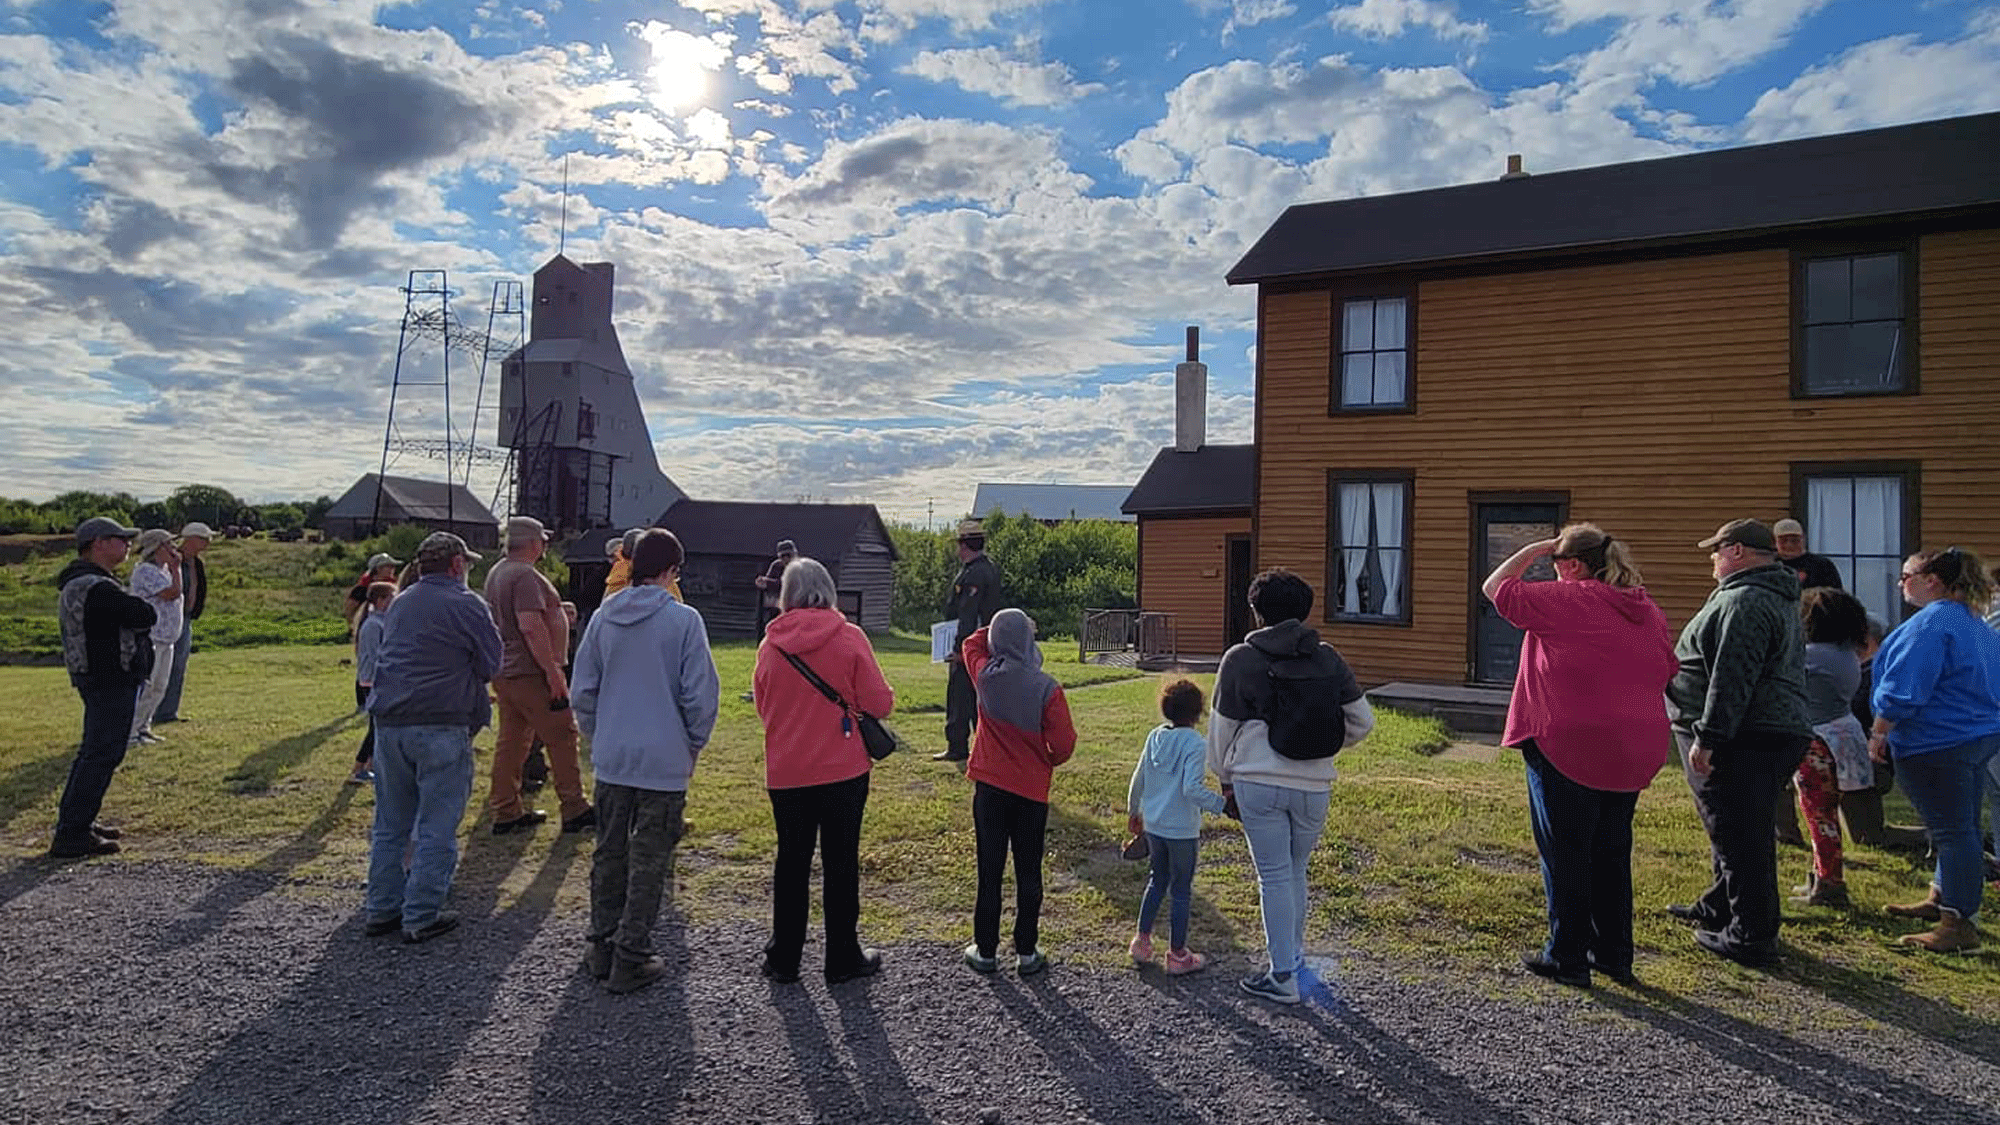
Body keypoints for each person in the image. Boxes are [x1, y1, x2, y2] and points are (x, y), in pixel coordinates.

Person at [1482, 524, 1677, 989]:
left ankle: (1567, 955)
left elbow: (1496, 588)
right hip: (1634, 744)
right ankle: (1613, 954)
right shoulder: (1645, 608)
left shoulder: (1569, 598)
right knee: (1611, 852)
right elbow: (1668, 666)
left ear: (1570, 565)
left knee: (1567, 852)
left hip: (1569, 741)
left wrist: (1531, 548)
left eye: (1556, 563)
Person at [1209, 568, 1374, 1004]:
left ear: (1256, 611)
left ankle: (1282, 975)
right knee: (1295, 872)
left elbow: (1221, 732)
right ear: (1305, 610)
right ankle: (1294, 962)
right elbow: (1363, 722)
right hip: (1314, 783)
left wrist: (1225, 781)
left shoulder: (1240, 659)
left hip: (1257, 781)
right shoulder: (1327, 657)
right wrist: (1326, 747)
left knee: (1274, 877)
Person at [572, 529, 719, 993]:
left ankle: (601, 942)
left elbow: (583, 691)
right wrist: (692, 743)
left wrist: (600, 734)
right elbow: (700, 695)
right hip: (663, 756)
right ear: (672, 571)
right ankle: (633, 952)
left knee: (608, 850)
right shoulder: (683, 621)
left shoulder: (601, 618)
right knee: (651, 856)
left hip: (613, 754)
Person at [1665, 518, 1812, 968]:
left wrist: (1709, 737)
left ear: (1738, 552)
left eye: (1717, 550)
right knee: (1729, 826)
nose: (1711, 557)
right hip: (1766, 731)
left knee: (1739, 833)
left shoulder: (1746, 600)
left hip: (1747, 736)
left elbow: (1732, 677)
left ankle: (1751, 935)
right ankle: (1720, 905)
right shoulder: (1766, 593)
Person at [752, 556, 894, 985]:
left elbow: (763, 707)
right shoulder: (849, 637)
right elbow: (879, 703)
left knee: (791, 863)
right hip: (843, 767)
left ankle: (784, 958)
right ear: (828, 589)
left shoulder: (770, 644)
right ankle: (842, 956)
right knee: (840, 861)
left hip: (788, 770)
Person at [362, 531, 502, 944]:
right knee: (438, 822)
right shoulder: (467, 604)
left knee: (391, 821)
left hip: (389, 721)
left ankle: (382, 906)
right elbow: (492, 663)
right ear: (457, 564)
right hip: (442, 720)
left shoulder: (401, 602)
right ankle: (422, 912)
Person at [1870, 547, 2000, 952]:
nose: (1900, 583)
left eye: (1906, 575)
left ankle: (1959, 924)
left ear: (1932, 581)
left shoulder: (1931, 624)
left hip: (1938, 739)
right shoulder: (1976, 624)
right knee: (1959, 824)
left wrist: (1880, 730)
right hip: (1978, 735)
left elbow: (1908, 683)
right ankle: (1942, 897)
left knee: (1954, 829)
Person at [960, 608, 1076, 975]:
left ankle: (986, 949)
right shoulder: (1047, 687)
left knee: (989, 870)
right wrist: (1046, 759)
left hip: (990, 789)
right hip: (1030, 790)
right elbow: (1065, 744)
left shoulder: (986, 678)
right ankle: (1027, 950)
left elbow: (970, 644)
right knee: (1029, 870)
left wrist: (1000, 627)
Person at [483, 516, 594, 836]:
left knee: (513, 741)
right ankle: (574, 807)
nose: (545, 544)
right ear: (532, 543)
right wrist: (554, 672)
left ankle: (506, 809)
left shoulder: (499, 571)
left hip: (507, 670)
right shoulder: (524, 575)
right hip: (531, 671)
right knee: (562, 735)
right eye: (543, 539)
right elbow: (530, 625)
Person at [50, 516, 153, 858]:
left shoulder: (83, 582)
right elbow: (142, 614)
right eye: (119, 538)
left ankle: (79, 822)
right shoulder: (95, 586)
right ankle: (72, 833)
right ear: (98, 544)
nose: (126, 544)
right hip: (109, 679)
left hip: (98, 677)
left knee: (94, 752)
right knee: (101, 753)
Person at [1125, 678, 1226, 976]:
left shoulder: (1154, 736)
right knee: (1180, 890)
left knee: (1157, 881)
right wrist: (1222, 805)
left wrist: (1134, 811)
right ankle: (1178, 954)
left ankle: (1141, 943)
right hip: (1181, 829)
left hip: (1154, 826)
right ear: (1198, 712)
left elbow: (1138, 778)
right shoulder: (1196, 743)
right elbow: (1191, 789)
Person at [1790, 587, 1874, 908]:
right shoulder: (1844, 653)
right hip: (1841, 735)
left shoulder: (1812, 655)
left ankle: (1829, 884)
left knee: (1819, 816)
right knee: (1823, 814)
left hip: (1818, 741)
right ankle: (1821, 876)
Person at [935, 519, 1003, 763]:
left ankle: (957, 747)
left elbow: (967, 614)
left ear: (965, 546)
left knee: (959, 697)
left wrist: (959, 650)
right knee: (979, 698)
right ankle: (984, 747)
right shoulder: (989, 569)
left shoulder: (974, 574)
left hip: (970, 646)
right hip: (987, 643)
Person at [152, 521, 213, 725]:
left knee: (178, 666)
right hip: (165, 620)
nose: (208, 543)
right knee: (159, 667)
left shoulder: (197, 563)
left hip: (184, 619)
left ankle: (168, 712)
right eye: (204, 539)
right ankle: (149, 712)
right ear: (192, 539)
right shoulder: (170, 561)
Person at [126, 529, 183, 748]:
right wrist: (177, 569)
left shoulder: (164, 571)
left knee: (159, 686)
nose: (173, 549)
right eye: (169, 545)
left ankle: (144, 727)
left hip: (166, 638)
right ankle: (130, 732)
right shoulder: (146, 571)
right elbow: (171, 593)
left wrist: (173, 569)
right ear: (157, 548)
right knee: (148, 686)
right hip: (151, 638)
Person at [349, 581, 397, 785]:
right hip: (372, 682)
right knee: (376, 727)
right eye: (391, 598)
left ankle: (370, 766)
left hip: (379, 680)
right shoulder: (372, 625)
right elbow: (375, 656)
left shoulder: (382, 622)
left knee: (380, 726)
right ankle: (358, 768)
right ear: (380, 601)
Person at [1773, 519, 1844, 591]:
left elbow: (1836, 597)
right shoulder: (1771, 564)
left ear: (1803, 539)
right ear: (1775, 542)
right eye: (1783, 541)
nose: (1789, 545)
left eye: (1795, 540)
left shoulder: (1822, 565)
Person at [345, 552, 402, 634]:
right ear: (378, 569)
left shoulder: (394, 587)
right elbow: (350, 609)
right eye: (389, 566)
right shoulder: (362, 589)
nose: (392, 569)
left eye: (392, 566)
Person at [753, 539, 798, 638]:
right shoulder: (776, 566)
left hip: (795, 605)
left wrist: (768, 583)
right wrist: (763, 583)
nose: (786, 559)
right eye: (783, 556)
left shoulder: (799, 568)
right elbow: (769, 583)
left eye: (788, 556)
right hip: (776, 605)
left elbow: (790, 584)